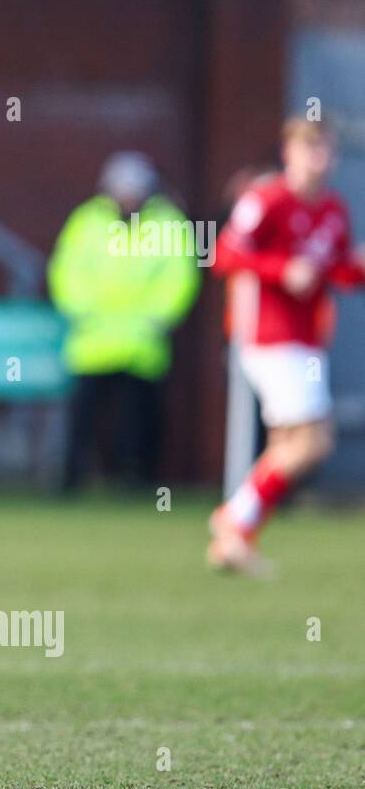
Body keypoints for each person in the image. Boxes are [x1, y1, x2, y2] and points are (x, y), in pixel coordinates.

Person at [208, 117, 365, 574]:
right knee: (314, 441)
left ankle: (237, 540)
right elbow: (224, 254)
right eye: (309, 148)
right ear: (288, 152)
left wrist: (357, 267)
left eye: (325, 149)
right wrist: (282, 270)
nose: (319, 159)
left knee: (287, 443)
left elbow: (337, 273)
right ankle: (234, 519)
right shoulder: (266, 200)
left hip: (307, 337)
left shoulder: (333, 209)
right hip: (270, 336)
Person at [48, 151, 199, 490]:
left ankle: (136, 480)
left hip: (142, 342)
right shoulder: (87, 220)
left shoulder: (168, 222)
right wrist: (79, 309)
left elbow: (180, 275)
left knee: (140, 419)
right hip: (93, 340)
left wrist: (159, 317)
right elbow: (67, 268)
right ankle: (72, 479)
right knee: (82, 416)